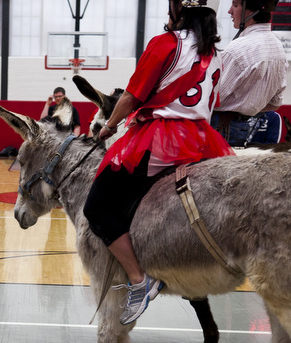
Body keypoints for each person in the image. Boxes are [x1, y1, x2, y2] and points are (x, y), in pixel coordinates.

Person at [84, 0, 233, 325]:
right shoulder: (217, 55)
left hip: (161, 138)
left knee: (95, 208)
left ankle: (140, 279)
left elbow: (131, 97)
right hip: (202, 141)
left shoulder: (165, 43)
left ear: (178, 12)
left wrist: (109, 127)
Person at [210, 0, 286, 147]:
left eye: (235, 5)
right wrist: (246, 108)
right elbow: (275, 103)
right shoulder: (278, 48)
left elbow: (212, 99)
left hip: (219, 127)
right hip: (245, 128)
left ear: (250, 11)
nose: (230, 11)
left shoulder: (237, 49)